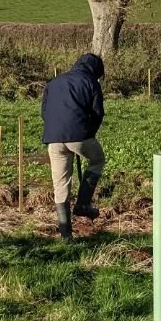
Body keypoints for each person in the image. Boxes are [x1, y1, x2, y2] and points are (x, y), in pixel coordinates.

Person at [41, 53, 106, 240]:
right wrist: (87, 132)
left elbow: (44, 111)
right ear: (95, 70)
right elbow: (97, 113)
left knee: (60, 186)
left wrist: (58, 131)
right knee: (97, 160)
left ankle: (66, 236)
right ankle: (83, 204)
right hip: (79, 136)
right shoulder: (91, 83)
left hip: (53, 139)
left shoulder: (54, 82)